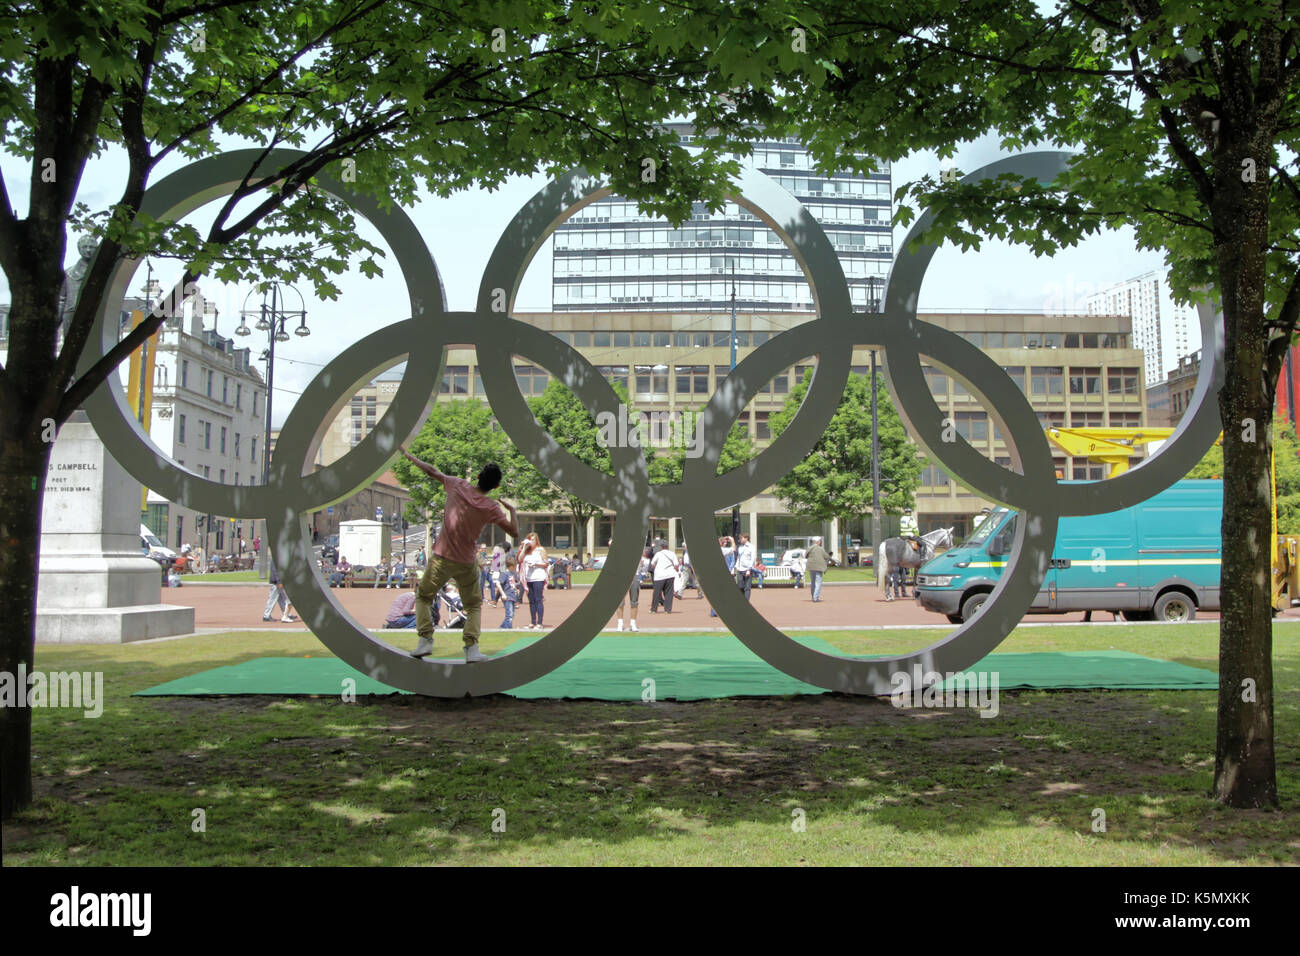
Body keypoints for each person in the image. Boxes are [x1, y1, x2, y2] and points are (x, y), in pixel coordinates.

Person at [401, 449, 519, 662]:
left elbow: (431, 471)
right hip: (466, 562)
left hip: (442, 558)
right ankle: (471, 648)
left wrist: (409, 456)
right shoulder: (491, 507)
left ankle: (425, 640)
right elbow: (514, 532)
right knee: (473, 606)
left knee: (424, 597)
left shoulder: (457, 485)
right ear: (496, 486)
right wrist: (513, 511)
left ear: (478, 476)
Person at [611, 537, 647, 632]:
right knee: (620, 602)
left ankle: (633, 623)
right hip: (621, 578)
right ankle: (620, 624)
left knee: (634, 601)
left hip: (634, 577)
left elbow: (641, 562)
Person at [521, 532, 549, 629]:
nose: (531, 541)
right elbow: (520, 559)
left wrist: (536, 564)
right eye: (530, 539)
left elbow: (546, 564)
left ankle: (539, 623)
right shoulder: (526, 550)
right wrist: (524, 547)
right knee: (531, 600)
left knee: (538, 599)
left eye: (533, 539)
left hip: (538, 577)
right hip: (529, 578)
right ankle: (533, 621)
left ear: (536, 541)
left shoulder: (540, 550)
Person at [262, 558, 298, 623]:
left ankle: (286, 614)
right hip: (276, 582)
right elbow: (276, 571)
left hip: (278, 581)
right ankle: (266, 616)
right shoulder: (276, 558)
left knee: (282, 599)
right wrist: (279, 581)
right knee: (272, 599)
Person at [650, 539, 679, 613]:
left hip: (659, 576)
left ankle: (654, 609)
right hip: (670, 575)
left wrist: (657, 568)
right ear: (667, 546)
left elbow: (652, 564)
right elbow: (676, 565)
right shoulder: (672, 554)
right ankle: (668, 610)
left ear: (661, 546)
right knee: (669, 593)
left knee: (657, 593)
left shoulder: (658, 554)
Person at [805, 537, 831, 603]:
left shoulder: (809, 548)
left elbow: (806, 556)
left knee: (813, 582)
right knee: (818, 583)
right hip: (819, 567)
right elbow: (826, 556)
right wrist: (829, 555)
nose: (820, 542)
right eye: (820, 541)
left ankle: (813, 596)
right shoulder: (820, 548)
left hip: (811, 566)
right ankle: (815, 598)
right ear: (818, 541)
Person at [500, 557, 521, 629]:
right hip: (507, 596)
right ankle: (509, 628)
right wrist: (503, 594)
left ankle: (502, 628)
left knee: (512, 614)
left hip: (513, 596)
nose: (515, 567)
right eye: (514, 566)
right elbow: (499, 584)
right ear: (511, 566)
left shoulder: (513, 573)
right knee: (509, 614)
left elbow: (516, 582)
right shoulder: (505, 574)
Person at [734, 533, 756, 602]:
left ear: (746, 538)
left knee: (747, 588)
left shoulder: (751, 547)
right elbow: (738, 558)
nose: (740, 539)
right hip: (740, 569)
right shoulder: (740, 547)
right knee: (740, 586)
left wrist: (749, 569)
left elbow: (752, 559)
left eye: (741, 538)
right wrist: (736, 566)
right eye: (740, 538)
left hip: (747, 570)